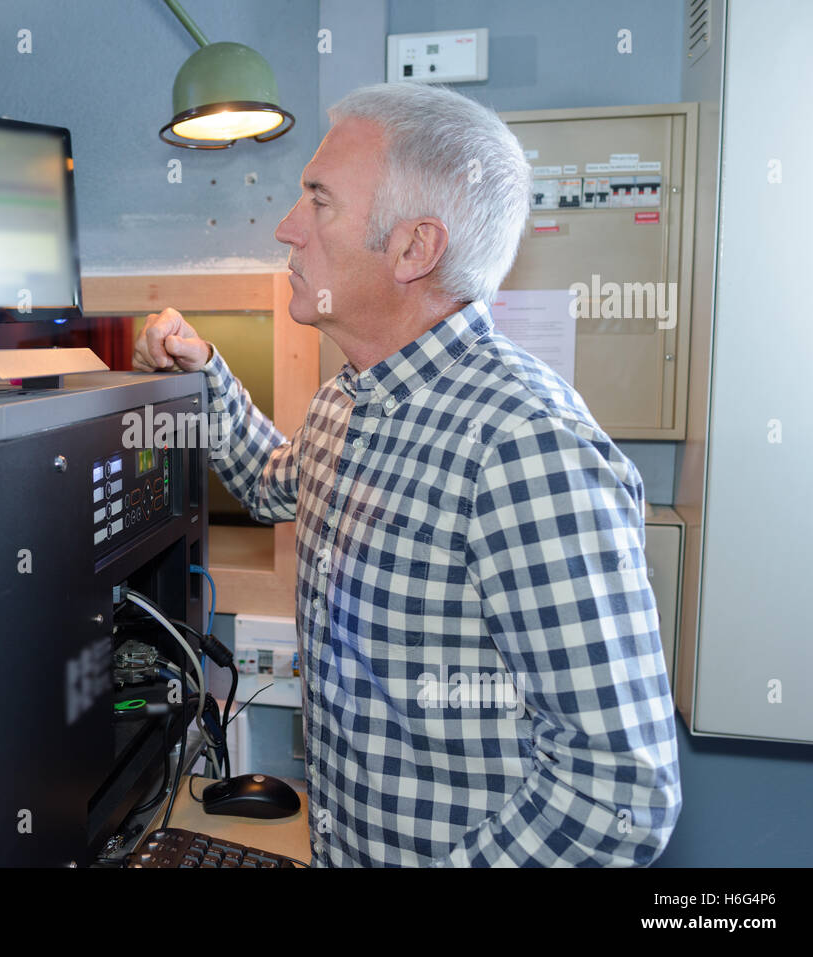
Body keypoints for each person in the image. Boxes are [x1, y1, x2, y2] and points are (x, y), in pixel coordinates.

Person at [132, 82, 681, 867]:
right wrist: (206, 369)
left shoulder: (527, 448)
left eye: (318, 202)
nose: (287, 228)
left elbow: (619, 794)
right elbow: (268, 480)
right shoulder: (347, 402)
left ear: (415, 249)